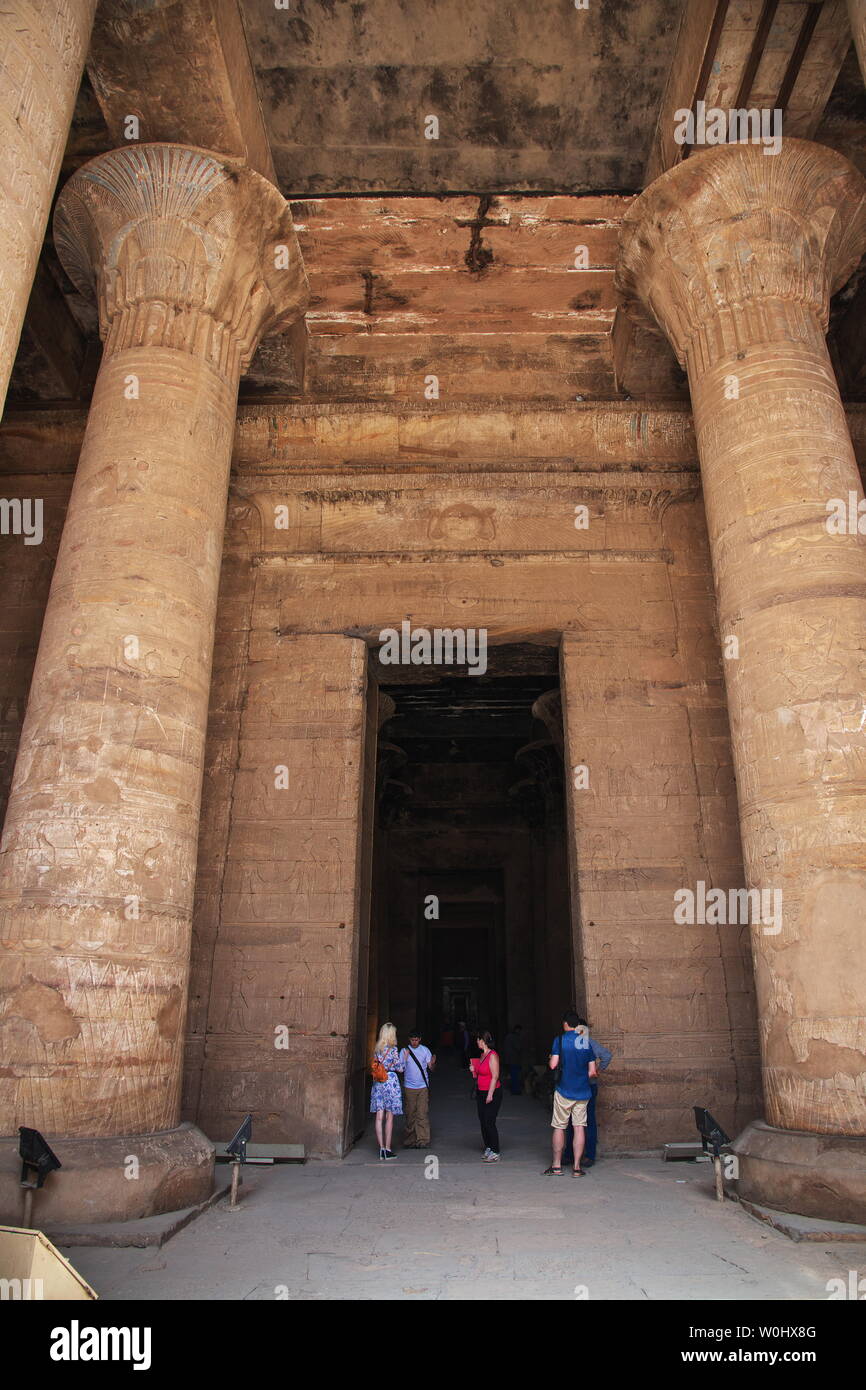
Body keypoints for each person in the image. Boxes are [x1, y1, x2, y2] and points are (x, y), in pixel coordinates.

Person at [543, 1010, 597, 1177]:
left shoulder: (559, 1041)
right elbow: (593, 1071)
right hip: (582, 1091)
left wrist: (551, 1058)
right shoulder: (585, 1042)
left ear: (565, 1023)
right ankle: (576, 1167)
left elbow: (553, 1065)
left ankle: (557, 1165)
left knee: (559, 1126)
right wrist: (580, 1076)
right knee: (579, 1127)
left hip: (564, 1090)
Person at [562, 1016, 613, 1169]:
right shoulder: (587, 1043)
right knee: (585, 1121)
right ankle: (587, 1156)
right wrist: (597, 1071)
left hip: (575, 1086)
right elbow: (607, 1056)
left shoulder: (578, 1043)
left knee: (576, 1121)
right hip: (587, 1085)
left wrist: (597, 1070)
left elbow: (607, 1056)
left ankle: (573, 1155)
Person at [370, 1022, 404, 1160]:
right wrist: (404, 1059)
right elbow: (400, 1068)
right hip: (390, 1081)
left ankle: (381, 1148)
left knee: (379, 1116)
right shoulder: (393, 1050)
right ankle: (388, 1149)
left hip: (378, 1083)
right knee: (389, 1117)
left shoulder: (377, 1050)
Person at [469, 1029, 502, 1161]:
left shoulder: (493, 1055)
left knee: (489, 1121)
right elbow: (480, 1072)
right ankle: (488, 1146)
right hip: (480, 1091)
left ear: (482, 1041)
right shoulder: (482, 1055)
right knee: (482, 1120)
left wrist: (490, 1094)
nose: (476, 1042)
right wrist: (473, 1070)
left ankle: (496, 1150)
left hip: (492, 1092)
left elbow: (495, 1076)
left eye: (478, 1040)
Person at [400, 1028, 435, 1148]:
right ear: (409, 1040)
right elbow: (400, 1068)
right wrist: (404, 1058)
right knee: (410, 1114)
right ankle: (410, 1139)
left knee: (422, 1113)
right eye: (412, 1040)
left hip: (422, 1087)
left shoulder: (425, 1050)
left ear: (420, 1040)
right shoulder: (404, 1051)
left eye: (416, 1040)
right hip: (409, 1087)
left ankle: (423, 1140)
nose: (414, 1042)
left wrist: (433, 1063)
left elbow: (431, 1067)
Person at [502, 1023, 524, 1095]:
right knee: (515, 1075)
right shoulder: (514, 1037)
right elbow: (518, 1047)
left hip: (509, 1059)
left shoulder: (508, 1036)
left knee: (512, 1074)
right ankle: (515, 1090)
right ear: (517, 1030)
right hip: (514, 1059)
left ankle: (513, 1089)